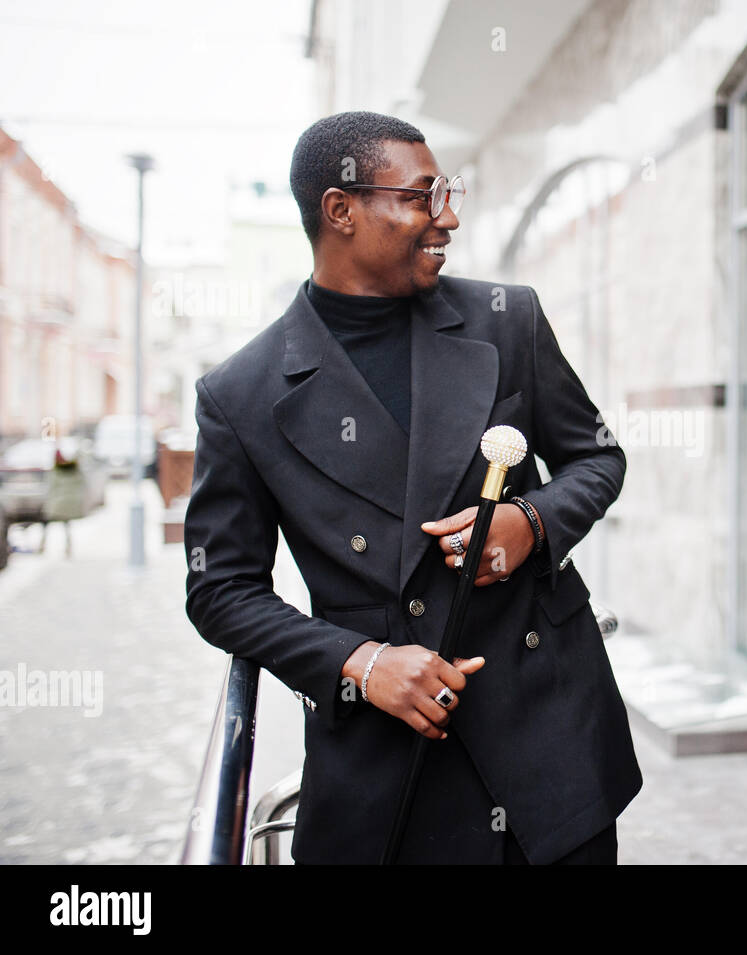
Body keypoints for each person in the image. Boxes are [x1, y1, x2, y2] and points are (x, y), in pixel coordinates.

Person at [183, 111, 642, 864]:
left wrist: (530, 520)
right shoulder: (242, 393)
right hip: (389, 771)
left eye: (448, 192)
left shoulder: (507, 321)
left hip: (552, 748)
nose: (448, 218)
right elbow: (221, 589)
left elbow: (599, 459)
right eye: (423, 197)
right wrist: (360, 663)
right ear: (342, 210)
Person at [42, 447, 86, 558]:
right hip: (69, 503)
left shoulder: (56, 471)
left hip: (57, 502)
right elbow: (82, 482)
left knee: (46, 524)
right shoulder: (74, 470)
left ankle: (42, 545)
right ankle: (68, 547)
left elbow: (50, 487)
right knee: (66, 526)